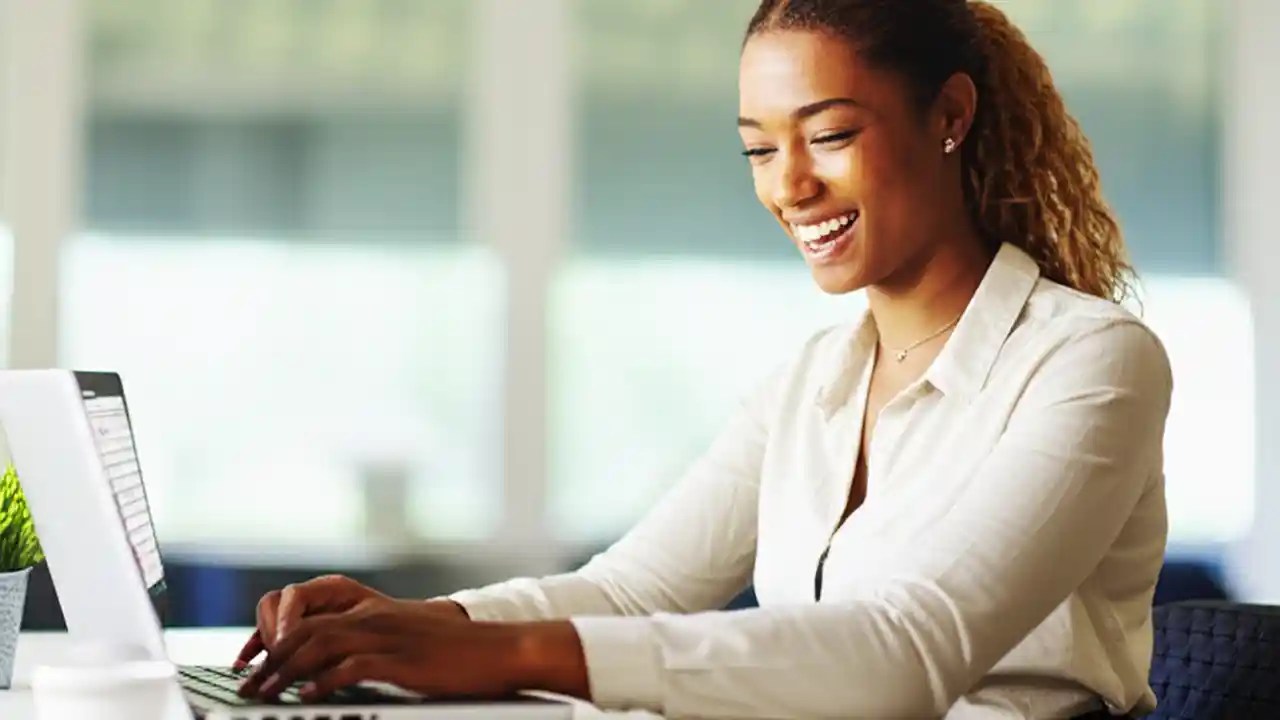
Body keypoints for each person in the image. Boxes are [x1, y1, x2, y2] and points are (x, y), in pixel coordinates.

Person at [234, 1, 1173, 717]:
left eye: (832, 134)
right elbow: (632, 590)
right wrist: (429, 624)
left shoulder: (1094, 363)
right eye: (759, 150)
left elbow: (909, 651)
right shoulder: (812, 382)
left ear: (950, 116)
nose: (791, 185)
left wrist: (515, 655)